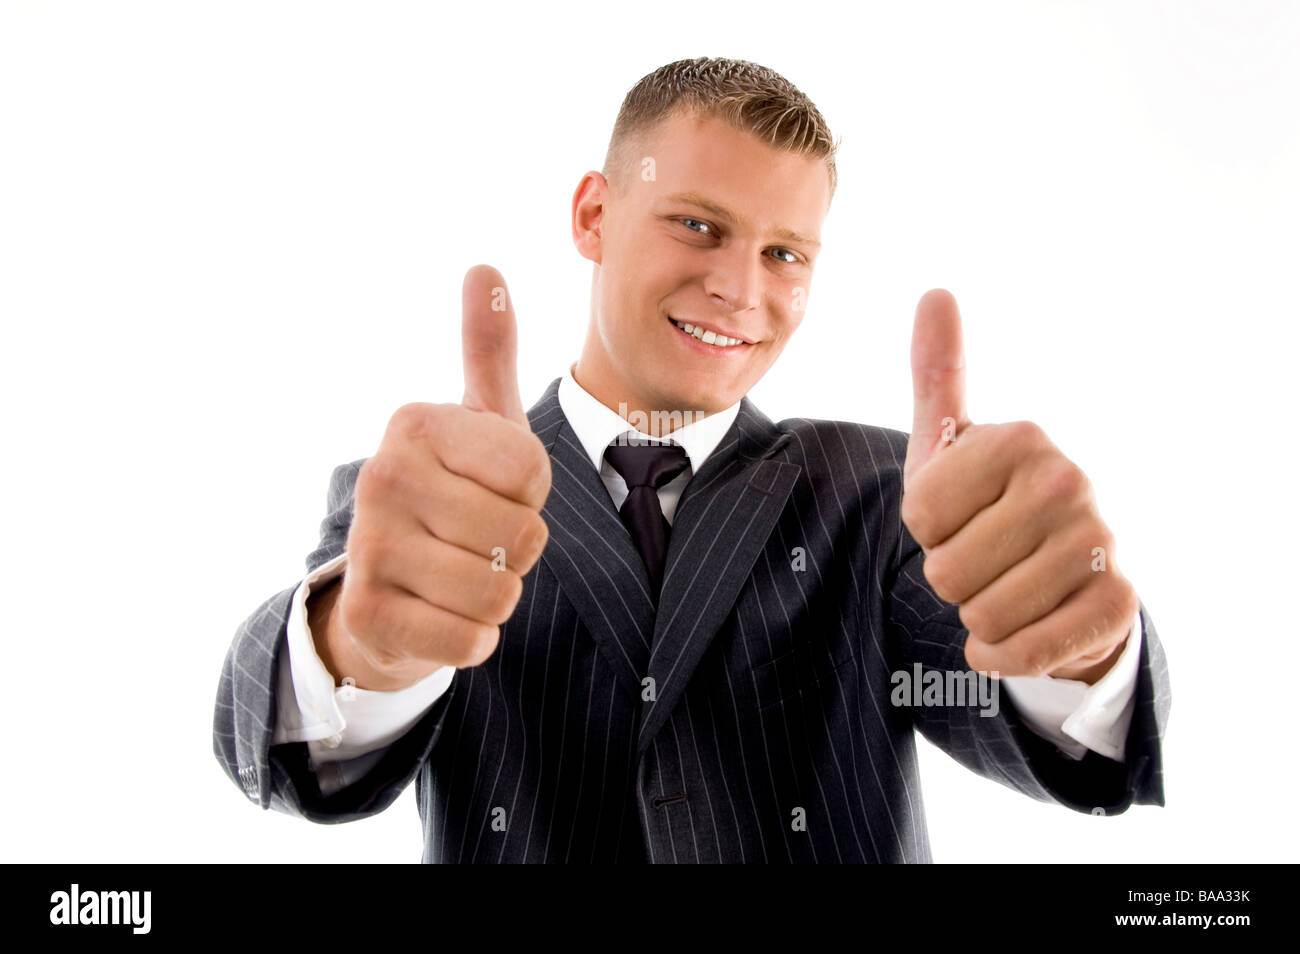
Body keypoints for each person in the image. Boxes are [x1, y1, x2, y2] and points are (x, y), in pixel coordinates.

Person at [213, 56, 1169, 863]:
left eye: (785, 254)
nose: (740, 290)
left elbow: (1068, 738)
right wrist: (362, 649)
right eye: (699, 226)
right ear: (594, 215)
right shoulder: (440, 490)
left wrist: (1080, 647)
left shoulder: (888, 498)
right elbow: (284, 745)